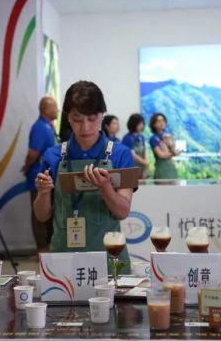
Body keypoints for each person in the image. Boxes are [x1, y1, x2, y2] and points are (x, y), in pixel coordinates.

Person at [33, 81, 134, 270]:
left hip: (109, 258)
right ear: (68, 118)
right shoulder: (52, 156)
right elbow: (42, 215)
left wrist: (105, 187)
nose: (85, 126)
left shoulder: (121, 154)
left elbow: (122, 211)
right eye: (77, 118)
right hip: (63, 258)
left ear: (102, 114)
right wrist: (44, 192)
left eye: (92, 117)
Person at [23, 96, 59, 253]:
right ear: (45, 109)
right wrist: (26, 167)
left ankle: (48, 247)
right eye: (54, 107)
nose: (57, 110)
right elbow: (33, 153)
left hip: (51, 178)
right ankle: (42, 250)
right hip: (39, 178)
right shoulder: (40, 127)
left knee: (50, 214)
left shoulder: (49, 126)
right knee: (39, 215)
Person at [149, 113, 179, 179]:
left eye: (163, 120)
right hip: (161, 169)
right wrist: (173, 153)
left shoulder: (168, 136)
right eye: (159, 121)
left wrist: (170, 145)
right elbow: (161, 155)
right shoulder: (153, 138)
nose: (162, 123)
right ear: (154, 124)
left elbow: (175, 152)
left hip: (171, 167)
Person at [122, 113, 149, 178]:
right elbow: (132, 155)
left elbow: (145, 151)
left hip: (142, 169)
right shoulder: (127, 138)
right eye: (139, 124)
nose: (142, 126)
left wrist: (145, 169)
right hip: (132, 168)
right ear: (133, 124)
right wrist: (144, 163)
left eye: (142, 123)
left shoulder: (141, 137)